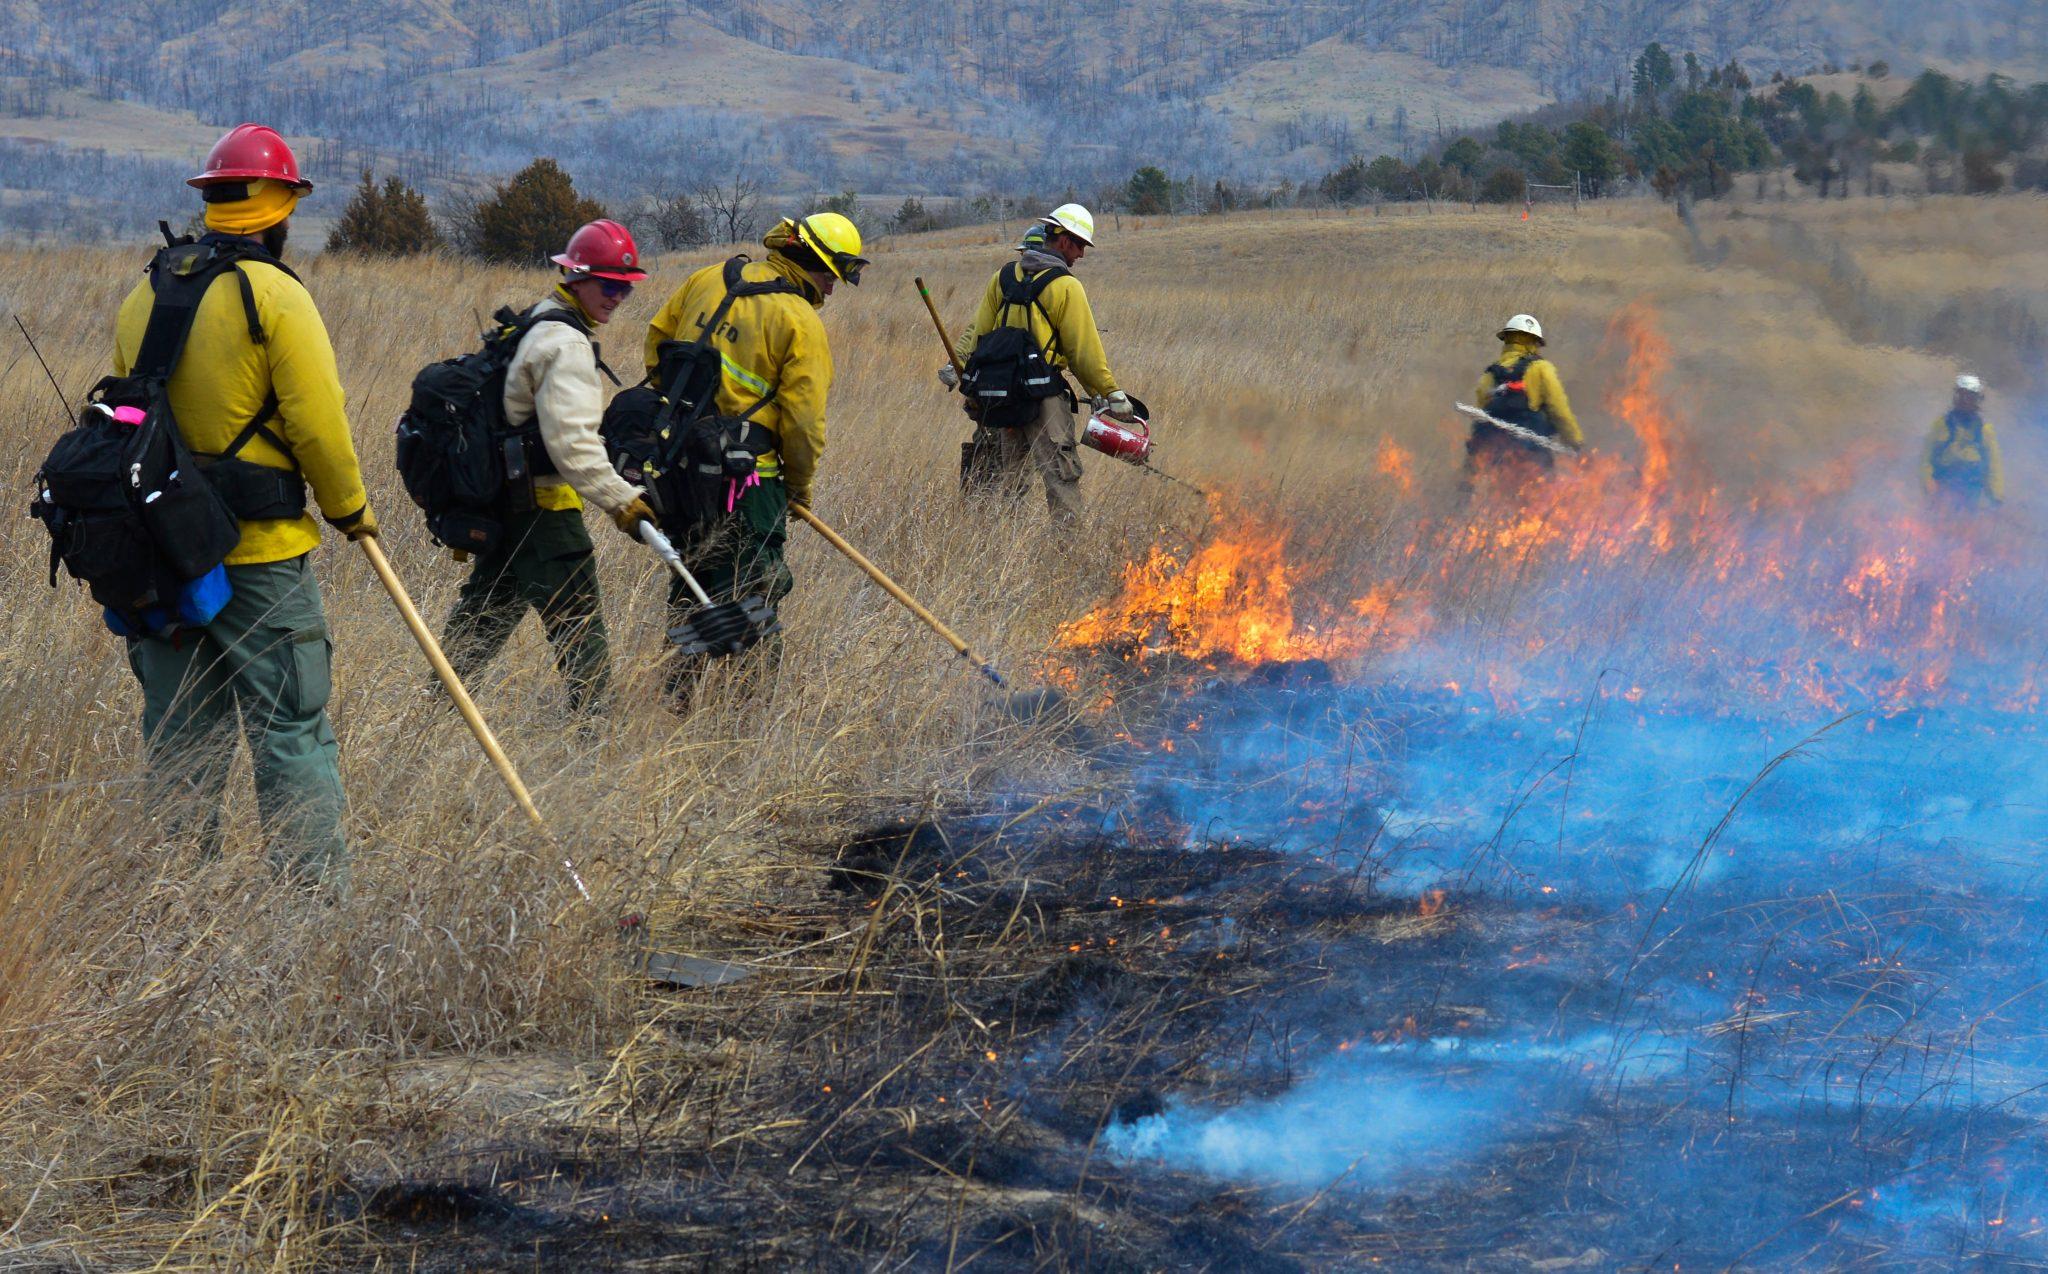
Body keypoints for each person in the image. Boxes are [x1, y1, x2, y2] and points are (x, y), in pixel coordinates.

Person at [112, 123, 374, 892]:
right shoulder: (275, 296)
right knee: (291, 730)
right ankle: (314, 915)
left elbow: (126, 421)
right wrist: (350, 509)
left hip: (164, 561)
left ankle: (172, 915)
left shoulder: (145, 291)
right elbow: (319, 422)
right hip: (260, 557)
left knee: (180, 739)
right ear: (278, 206)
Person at [440, 219, 656, 715]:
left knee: (481, 618)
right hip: (544, 508)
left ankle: (434, 718)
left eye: (624, 286)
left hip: (505, 503)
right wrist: (625, 502)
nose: (617, 296)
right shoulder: (568, 344)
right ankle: (595, 735)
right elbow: (573, 446)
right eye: (608, 284)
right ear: (575, 277)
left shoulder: (537, 320)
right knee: (580, 627)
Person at [641, 212, 865, 688]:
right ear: (810, 261)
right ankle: (747, 723)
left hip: (680, 471)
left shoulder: (706, 278)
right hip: (750, 483)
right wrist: (799, 490)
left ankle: (673, 699)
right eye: (831, 276)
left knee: (693, 580)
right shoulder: (799, 321)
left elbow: (657, 344)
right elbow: (804, 425)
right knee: (754, 593)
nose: (831, 289)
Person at [943, 204, 1134, 522]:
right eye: (1080, 245)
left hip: (1001, 398)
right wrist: (1111, 394)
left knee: (1009, 483)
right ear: (1063, 241)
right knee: (1062, 480)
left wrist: (956, 365)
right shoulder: (1066, 286)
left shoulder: (1002, 277)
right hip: (1042, 397)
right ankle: (1068, 558)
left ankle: (1002, 554)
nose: (1081, 255)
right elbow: (1083, 353)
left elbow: (977, 333)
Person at [1466, 313, 1584, 489]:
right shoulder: (1542, 369)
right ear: (1533, 341)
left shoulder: (1490, 374)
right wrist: (1575, 441)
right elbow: (1558, 410)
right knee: (1540, 496)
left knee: (1496, 499)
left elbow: (1482, 408)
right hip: (1531, 450)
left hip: (1494, 451)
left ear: (1507, 339)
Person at [1922, 374, 2003, 510]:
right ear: (1956, 397)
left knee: (1965, 526)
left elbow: (1993, 465)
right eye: (1962, 395)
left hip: (1971, 491)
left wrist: (1996, 497)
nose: (1965, 400)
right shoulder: (1942, 425)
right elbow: (1926, 458)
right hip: (1943, 487)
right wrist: (1928, 484)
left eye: (1970, 396)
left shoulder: (1985, 430)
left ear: (1977, 400)